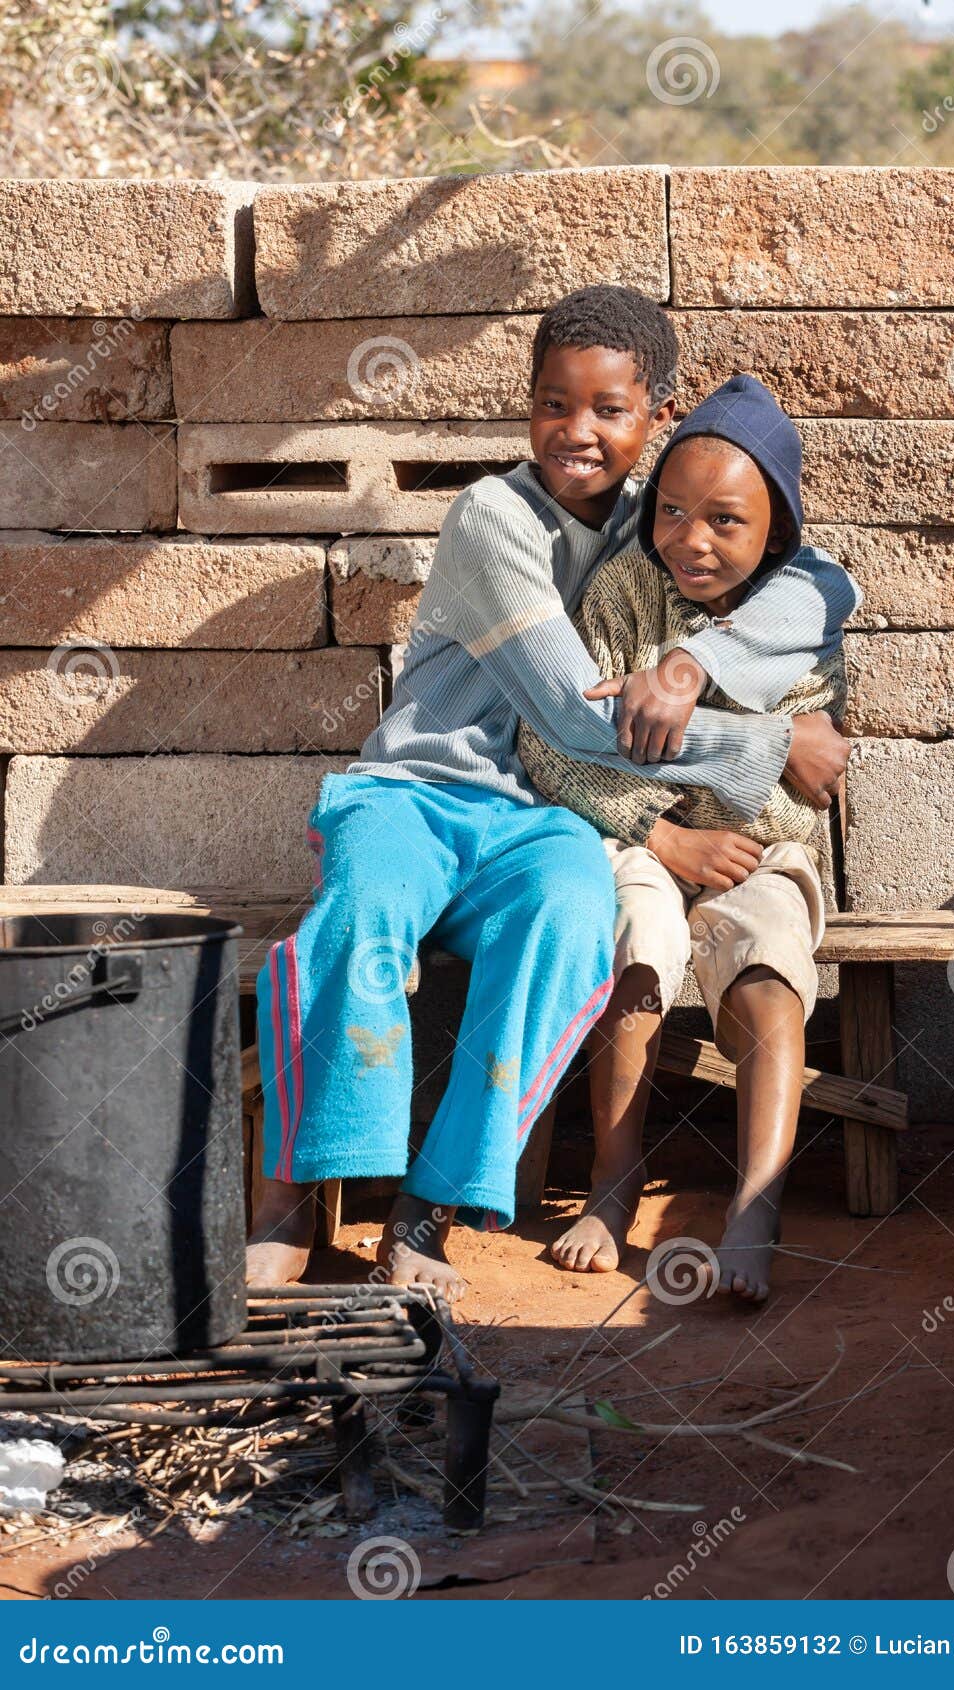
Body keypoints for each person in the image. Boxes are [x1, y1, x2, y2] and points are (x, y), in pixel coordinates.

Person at [246, 290, 855, 1304]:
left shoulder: (648, 518)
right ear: (525, 408)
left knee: (573, 920)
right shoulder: (495, 519)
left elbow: (824, 580)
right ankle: (286, 1197)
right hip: (419, 792)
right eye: (552, 404)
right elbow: (577, 722)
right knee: (362, 915)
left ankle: (427, 1210)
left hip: (540, 817)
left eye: (607, 410)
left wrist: (696, 667)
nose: (578, 431)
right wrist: (767, 742)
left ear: (655, 419)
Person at [519, 375, 852, 1303]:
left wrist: (676, 741)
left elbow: (804, 790)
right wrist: (660, 833)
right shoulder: (622, 592)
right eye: (670, 511)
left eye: (724, 521)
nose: (690, 540)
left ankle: (755, 1206)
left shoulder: (800, 620)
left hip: (759, 849)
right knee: (636, 944)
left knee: (768, 960)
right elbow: (556, 748)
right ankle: (614, 1181)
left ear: (775, 533)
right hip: (641, 842)